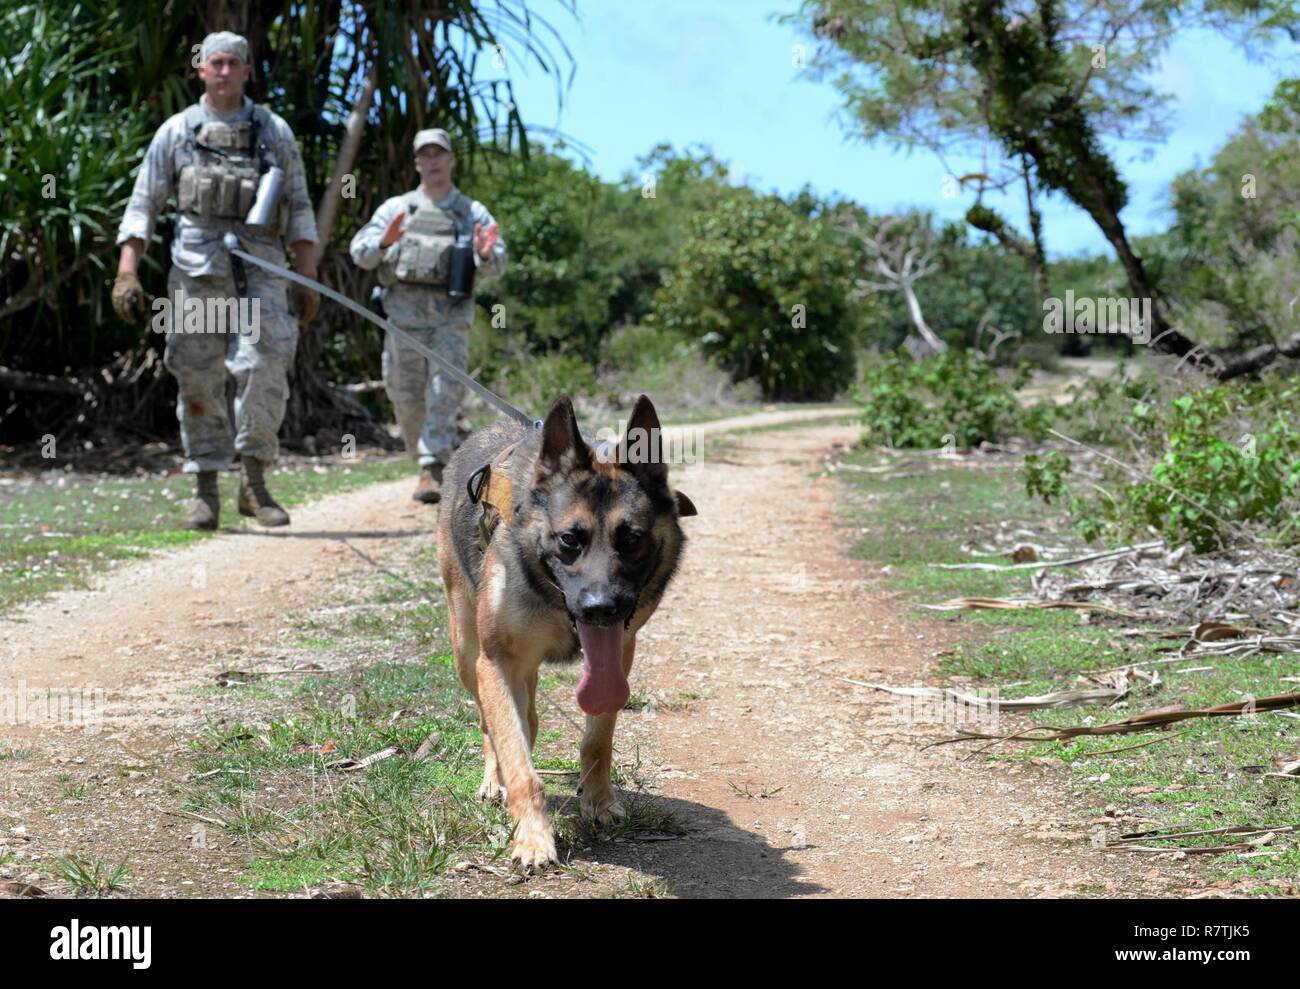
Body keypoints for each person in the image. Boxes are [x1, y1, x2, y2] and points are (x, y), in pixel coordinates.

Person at [111, 31, 319, 530]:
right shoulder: (177, 131)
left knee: (265, 366)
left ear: (247, 71)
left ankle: (254, 482)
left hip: (261, 267)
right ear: (201, 69)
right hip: (196, 269)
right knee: (197, 373)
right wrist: (126, 272)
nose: (224, 71)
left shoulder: (273, 131)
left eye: (233, 63)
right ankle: (205, 490)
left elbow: (299, 205)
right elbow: (144, 203)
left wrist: (307, 276)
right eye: (215, 63)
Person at [349, 128, 506, 503]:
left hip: (450, 319)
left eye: (439, 153)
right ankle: (422, 455)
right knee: (404, 396)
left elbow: (499, 263)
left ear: (451, 160)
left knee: (444, 390)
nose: (433, 161)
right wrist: (384, 241)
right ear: (417, 162)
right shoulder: (397, 209)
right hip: (403, 319)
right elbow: (360, 253)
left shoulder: (471, 212)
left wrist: (485, 254)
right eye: (426, 154)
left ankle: (433, 467)